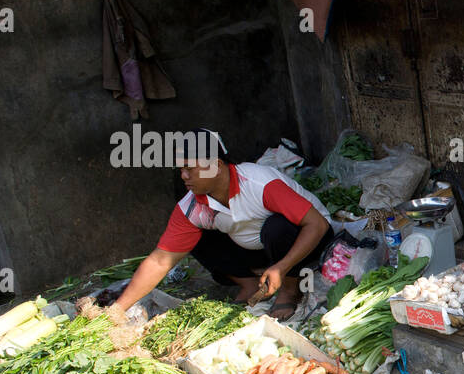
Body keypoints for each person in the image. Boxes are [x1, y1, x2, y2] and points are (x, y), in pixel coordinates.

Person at [107, 130, 335, 322]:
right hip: (258, 249)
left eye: (190, 169)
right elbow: (159, 260)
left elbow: (317, 225)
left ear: (215, 166)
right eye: (181, 170)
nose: (184, 176)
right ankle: (249, 285)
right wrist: (117, 310)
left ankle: (289, 288)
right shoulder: (191, 206)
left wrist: (281, 267)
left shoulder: (259, 183)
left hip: (309, 240)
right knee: (195, 238)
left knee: (276, 228)